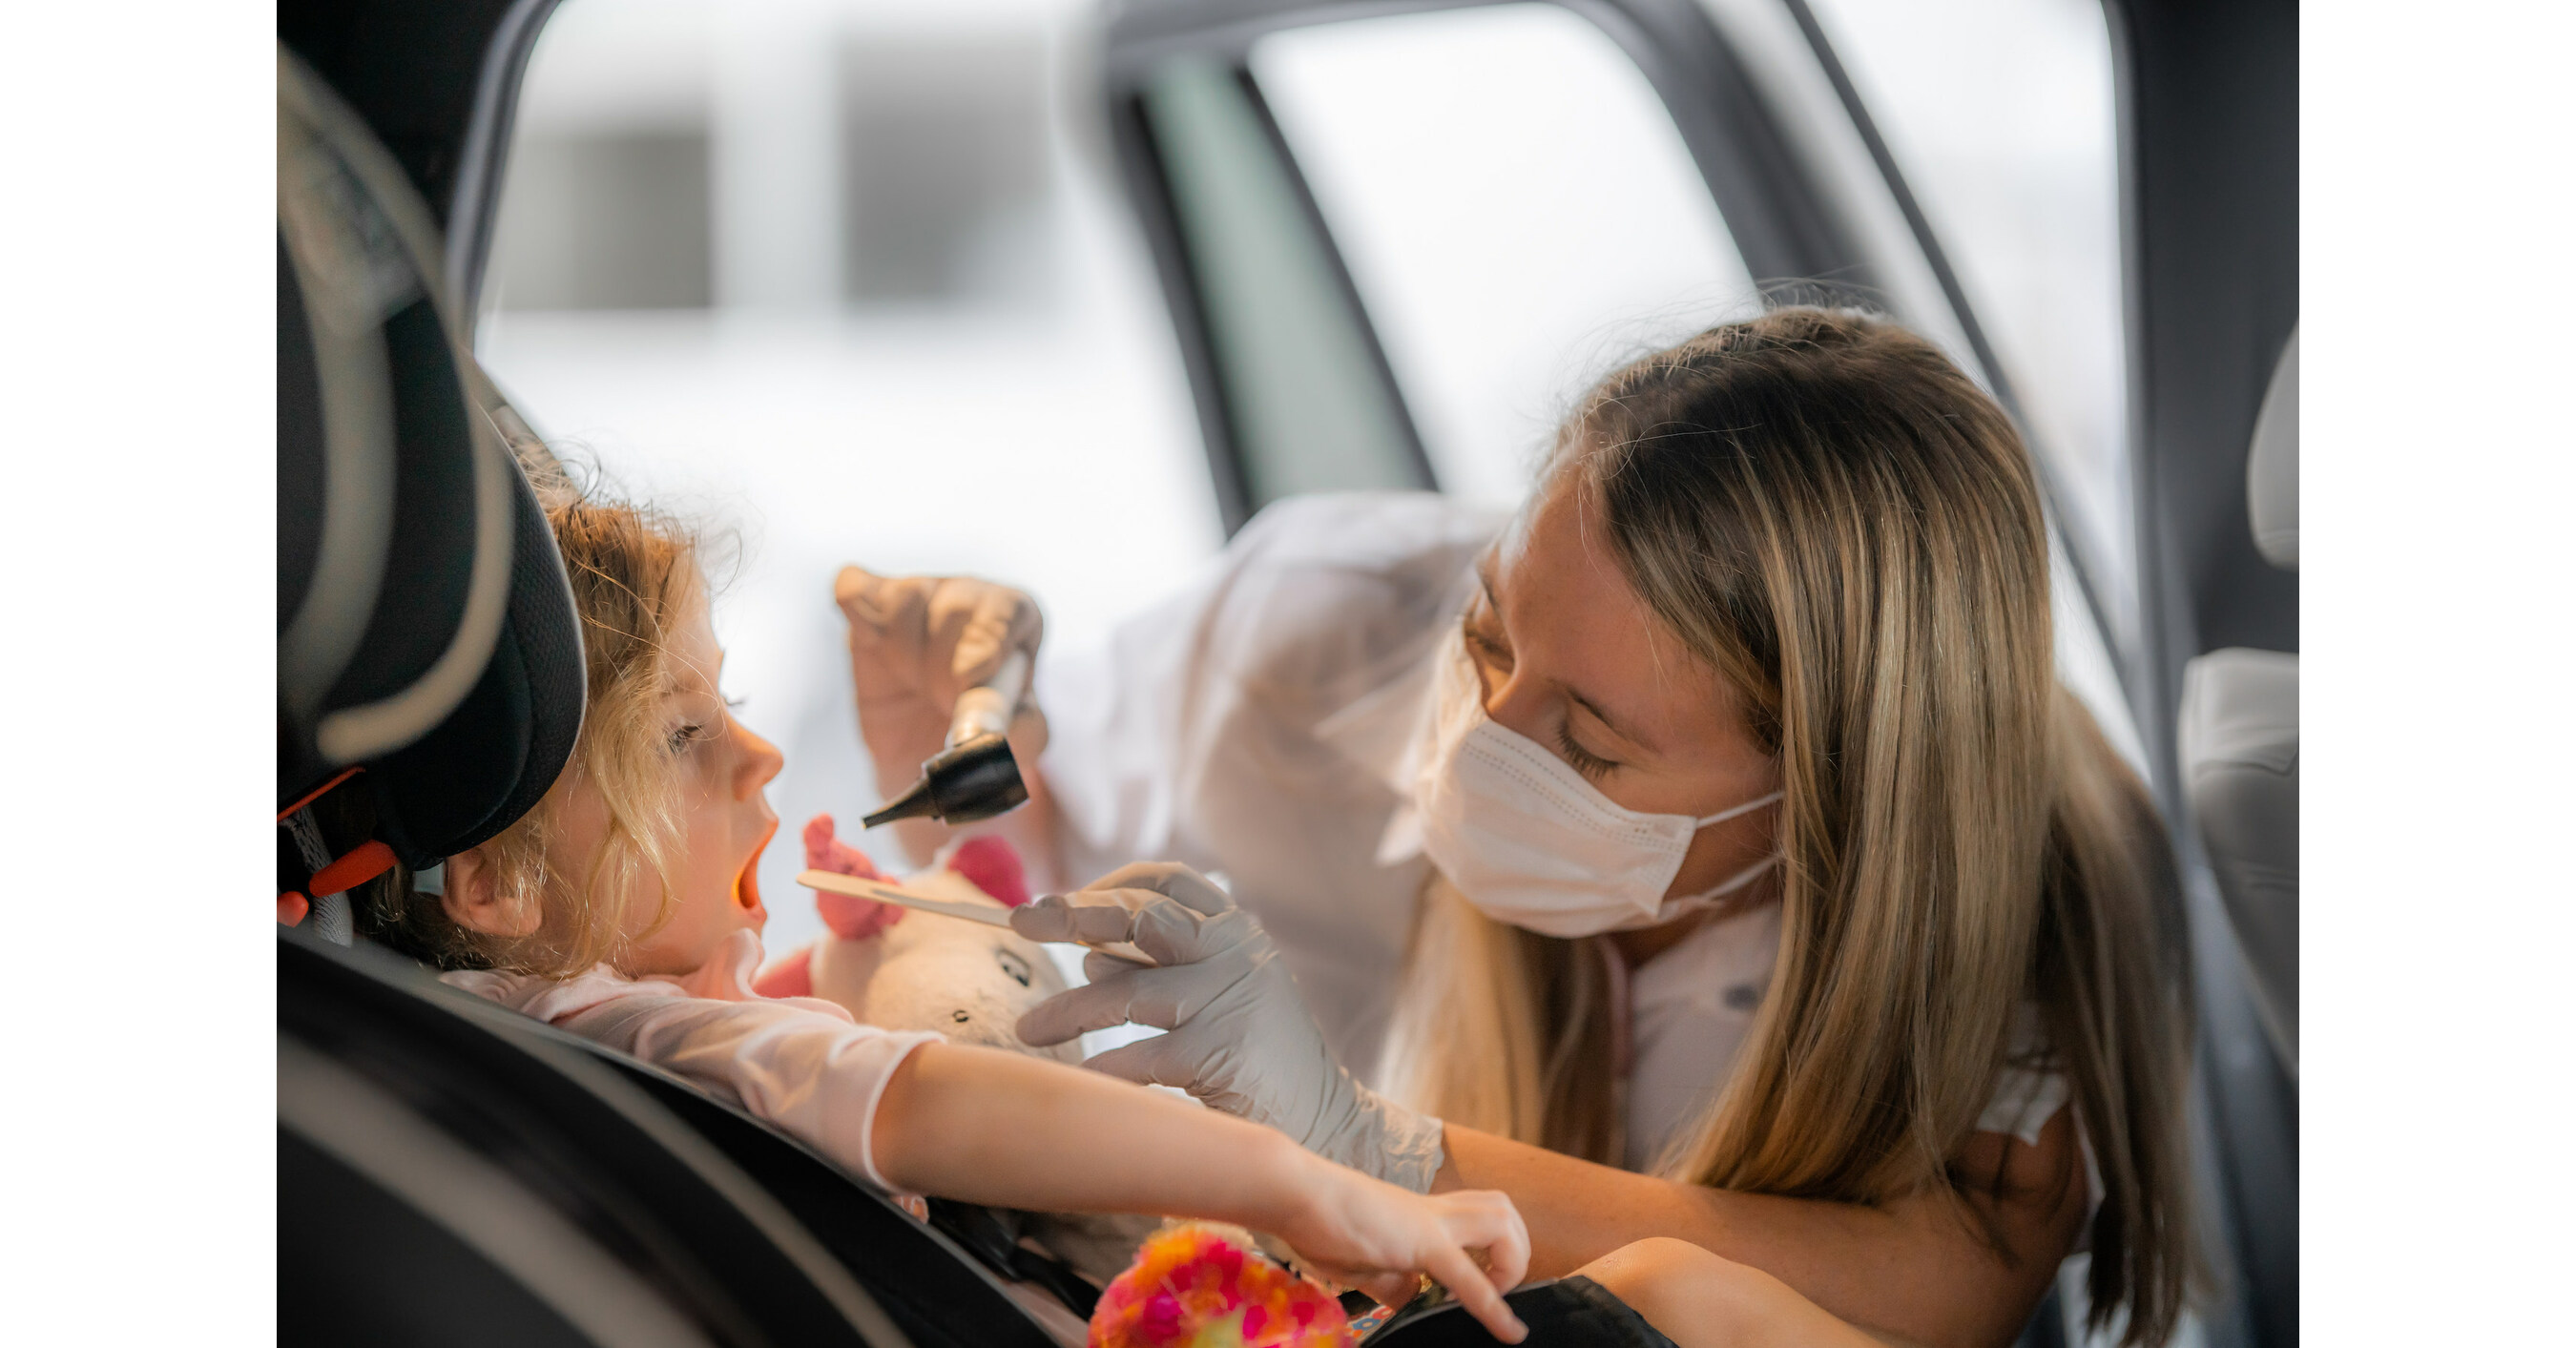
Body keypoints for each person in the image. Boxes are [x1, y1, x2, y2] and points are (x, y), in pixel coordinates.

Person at [838, 307, 2196, 1348]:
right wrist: (955, 754)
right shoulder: (1312, 633)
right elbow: (1029, 876)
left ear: (1828, 794)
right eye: (1488, 634)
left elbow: (1941, 1289)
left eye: (1589, 746)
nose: (1483, 733)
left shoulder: (2025, 898)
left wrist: (1375, 1152)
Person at [334, 485, 1536, 1345]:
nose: (757, 757)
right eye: (680, 735)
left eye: (735, 705)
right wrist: (1302, 1183)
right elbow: (922, 1097)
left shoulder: (570, 1033)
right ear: (502, 884)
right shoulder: (644, 1038)